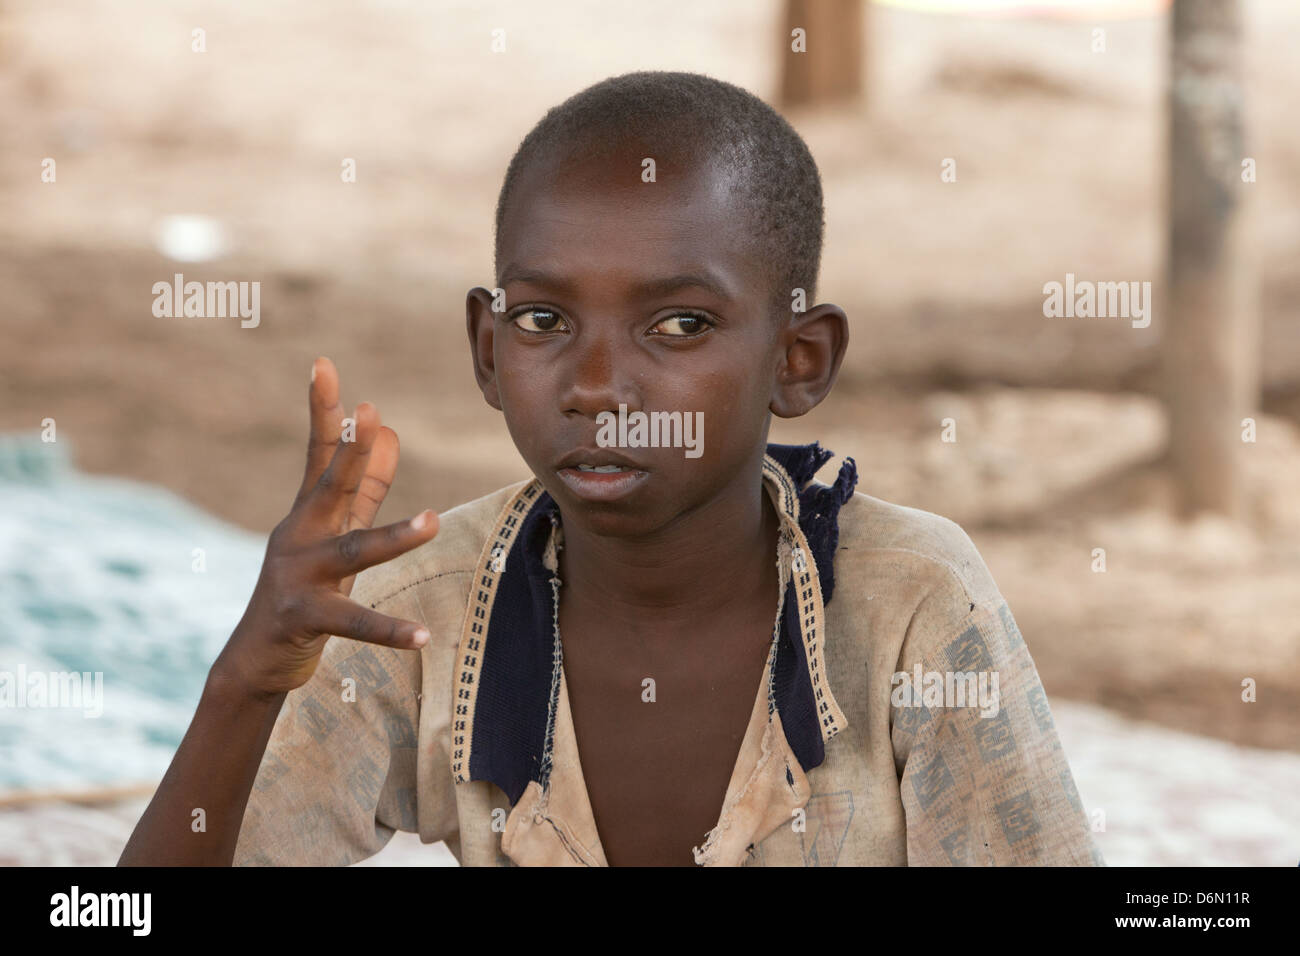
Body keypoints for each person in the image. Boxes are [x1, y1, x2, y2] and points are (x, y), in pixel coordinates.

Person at [119, 71, 1103, 867]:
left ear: (797, 360)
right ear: (487, 349)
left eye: (679, 324)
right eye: (543, 320)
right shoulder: (421, 607)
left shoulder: (912, 604)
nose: (595, 386)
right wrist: (244, 678)